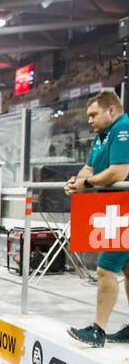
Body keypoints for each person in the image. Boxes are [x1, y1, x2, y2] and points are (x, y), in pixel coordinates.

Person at [66, 89, 129, 345]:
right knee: (127, 268)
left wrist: (87, 183)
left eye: (94, 114)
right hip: (113, 207)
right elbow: (90, 168)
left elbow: (119, 172)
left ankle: (98, 331)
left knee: (105, 269)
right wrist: (76, 181)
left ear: (111, 110)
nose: (89, 120)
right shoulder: (101, 135)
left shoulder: (123, 129)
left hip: (122, 209)